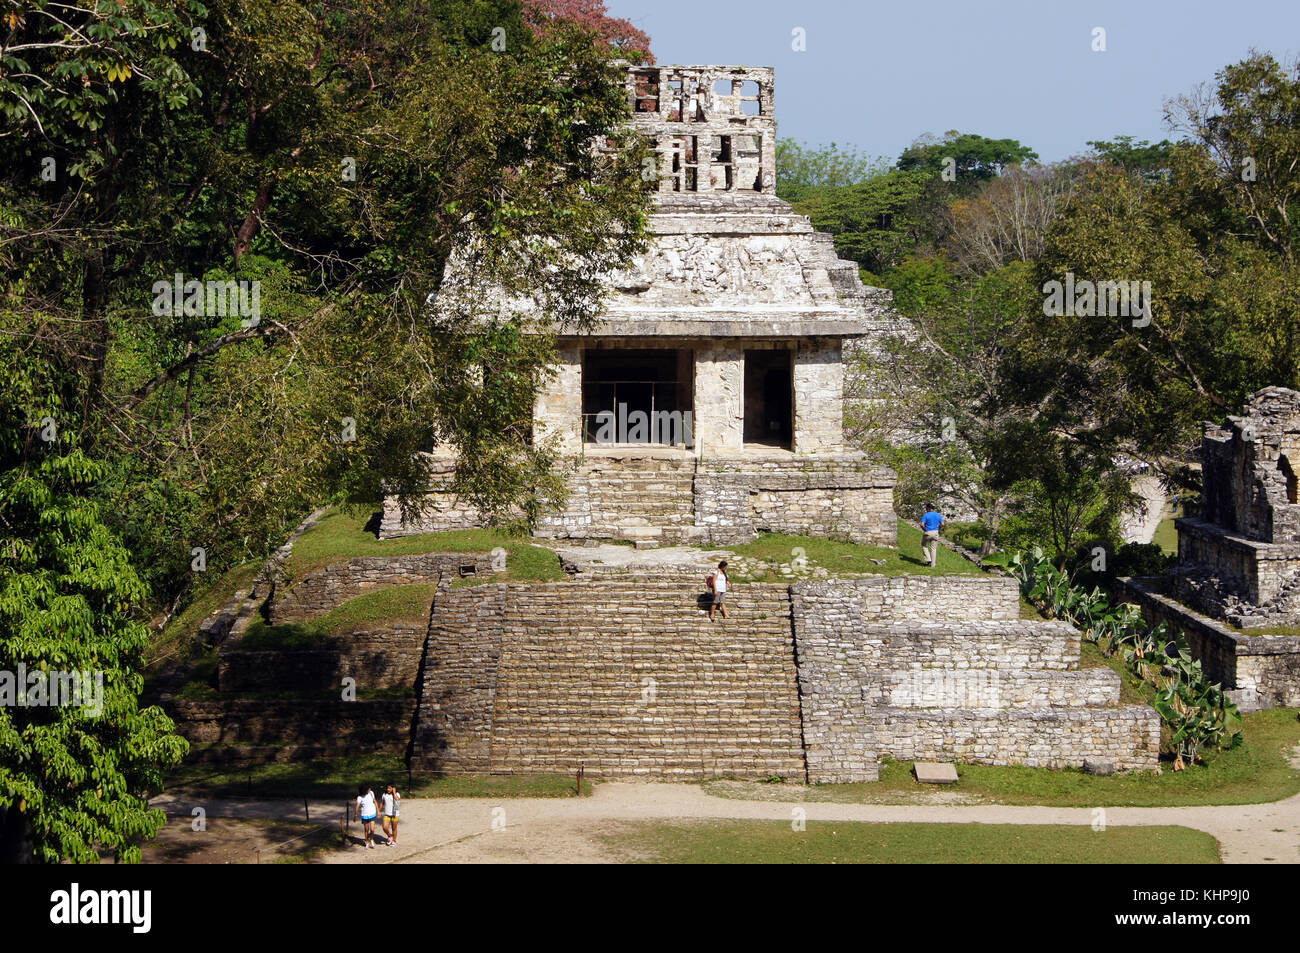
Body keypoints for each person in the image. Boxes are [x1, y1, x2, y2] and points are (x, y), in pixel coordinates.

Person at [355, 783, 379, 849]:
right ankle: (367, 841)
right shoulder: (360, 797)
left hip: (372, 813)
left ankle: (371, 839)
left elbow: (375, 801)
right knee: (366, 830)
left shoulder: (371, 793)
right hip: (364, 815)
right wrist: (355, 815)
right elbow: (357, 806)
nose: (370, 789)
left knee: (372, 829)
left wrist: (378, 811)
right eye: (368, 789)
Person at [380, 782, 401, 847]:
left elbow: (397, 800)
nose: (388, 789)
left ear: (393, 788)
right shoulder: (384, 795)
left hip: (395, 814)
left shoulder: (397, 794)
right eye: (387, 788)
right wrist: (378, 810)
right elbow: (382, 803)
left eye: (390, 788)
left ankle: (394, 841)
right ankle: (390, 835)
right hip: (387, 814)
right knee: (384, 827)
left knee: (394, 828)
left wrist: (394, 792)